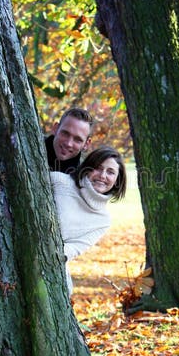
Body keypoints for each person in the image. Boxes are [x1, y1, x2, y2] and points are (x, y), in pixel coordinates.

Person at [50, 146, 127, 292]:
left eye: (110, 172)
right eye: (98, 168)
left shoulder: (103, 221)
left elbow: (75, 247)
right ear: (87, 168)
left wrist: (49, 253)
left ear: (117, 180)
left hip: (52, 264)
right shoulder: (60, 182)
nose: (103, 176)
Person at [44, 107, 93, 174]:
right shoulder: (28, 147)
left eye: (77, 140)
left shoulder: (82, 177)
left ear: (86, 144)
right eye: (65, 134)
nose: (68, 144)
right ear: (55, 128)